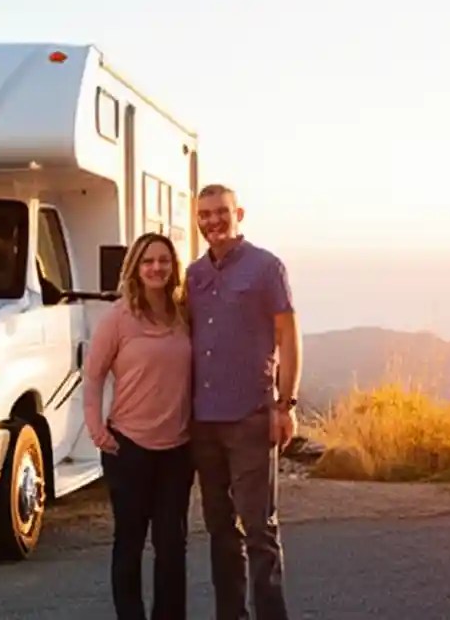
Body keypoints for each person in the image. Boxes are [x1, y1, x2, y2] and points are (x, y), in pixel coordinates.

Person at [186, 184, 302, 620]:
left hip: (251, 417)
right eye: (204, 214)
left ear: (239, 213)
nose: (212, 221)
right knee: (219, 530)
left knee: (259, 530)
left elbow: (289, 337)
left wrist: (285, 404)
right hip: (203, 421)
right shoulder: (194, 275)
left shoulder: (266, 267)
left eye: (220, 212)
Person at [83, 231, 195, 620]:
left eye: (164, 260)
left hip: (178, 451)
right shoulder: (118, 317)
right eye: (148, 261)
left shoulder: (184, 314)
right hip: (128, 448)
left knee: (172, 545)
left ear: (173, 267)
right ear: (135, 267)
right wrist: (96, 429)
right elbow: (93, 375)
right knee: (129, 543)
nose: (156, 268)